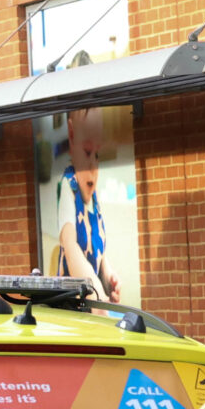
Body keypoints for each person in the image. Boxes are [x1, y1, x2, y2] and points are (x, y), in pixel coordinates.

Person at [54, 107, 122, 303]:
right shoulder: (69, 185)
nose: (92, 166)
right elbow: (70, 244)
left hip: (91, 305)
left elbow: (97, 253)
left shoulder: (94, 199)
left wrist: (108, 279)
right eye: (87, 152)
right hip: (72, 306)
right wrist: (95, 289)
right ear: (72, 136)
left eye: (97, 156)